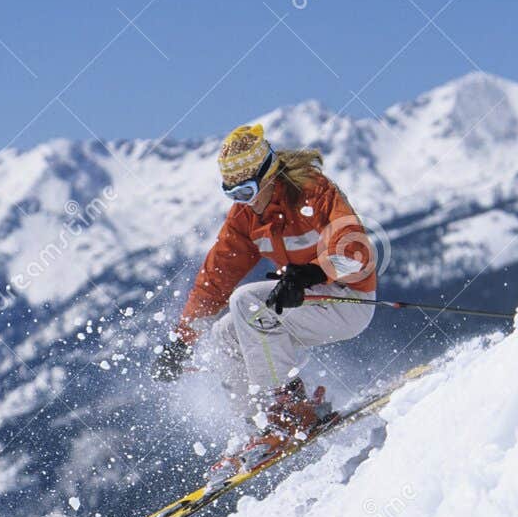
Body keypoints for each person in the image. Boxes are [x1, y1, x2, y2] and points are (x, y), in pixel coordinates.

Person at [152, 122, 376, 465]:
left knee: (247, 302)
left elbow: (356, 250)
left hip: (348, 300)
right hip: (306, 303)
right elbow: (215, 280)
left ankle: (290, 410)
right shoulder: (246, 218)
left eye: (246, 192)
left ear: (269, 174)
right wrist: (182, 341)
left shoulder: (313, 192)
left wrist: (313, 272)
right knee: (225, 333)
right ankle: (258, 424)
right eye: (233, 195)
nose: (245, 203)